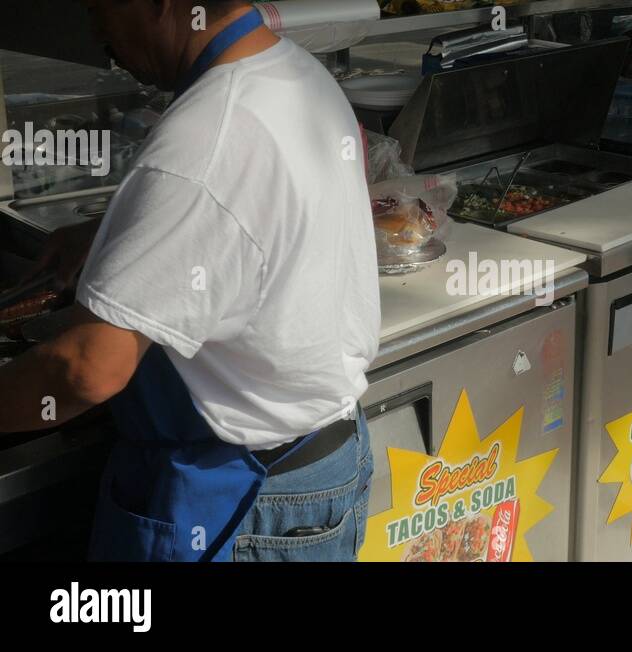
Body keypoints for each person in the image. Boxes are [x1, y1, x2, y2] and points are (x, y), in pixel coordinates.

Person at [0, 0, 381, 562]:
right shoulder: (295, 72)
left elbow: (87, 368)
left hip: (242, 505)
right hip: (321, 469)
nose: (95, 22)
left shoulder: (206, 133)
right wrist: (117, 232)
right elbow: (254, 210)